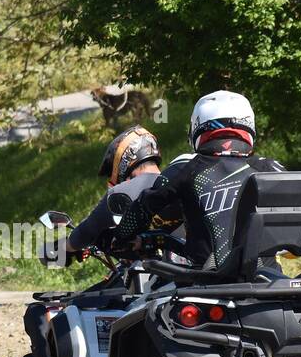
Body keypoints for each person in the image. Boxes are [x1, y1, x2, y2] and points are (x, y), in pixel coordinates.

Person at [112, 90, 284, 269]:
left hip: (208, 283)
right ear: (249, 127)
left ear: (198, 128)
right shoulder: (272, 169)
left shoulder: (187, 170)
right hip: (270, 280)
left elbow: (143, 207)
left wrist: (121, 236)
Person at [43, 126, 163, 265]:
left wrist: (64, 247)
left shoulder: (124, 192)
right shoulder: (175, 180)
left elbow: (88, 229)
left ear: (124, 159)